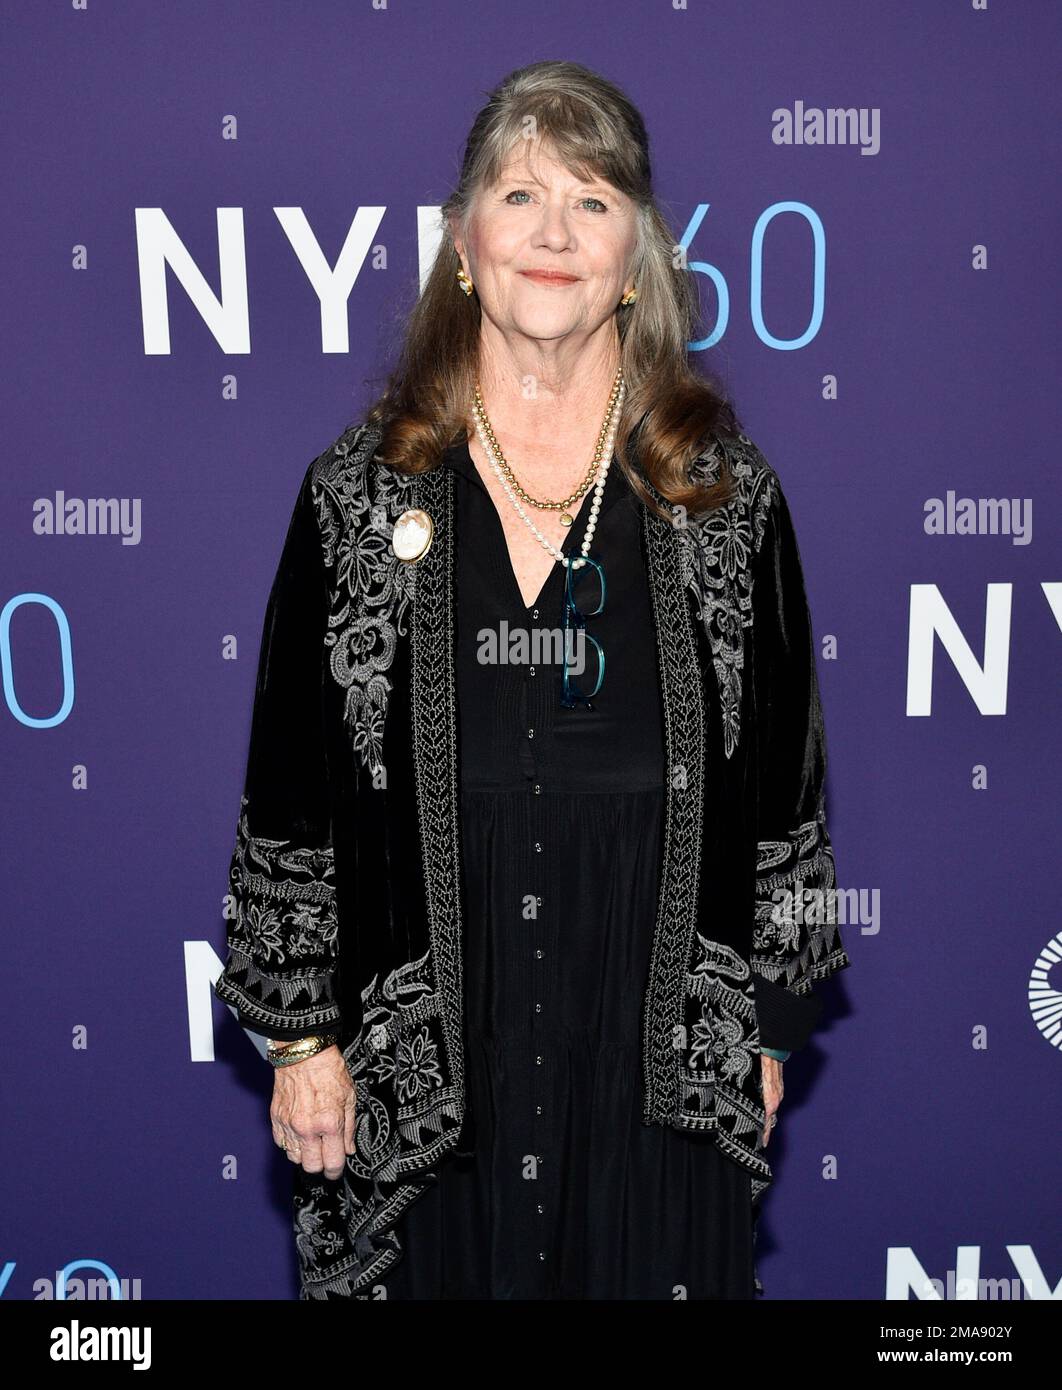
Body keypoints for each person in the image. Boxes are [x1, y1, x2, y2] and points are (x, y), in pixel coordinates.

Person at [214, 59, 851, 1300]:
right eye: (520, 196)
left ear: (637, 259)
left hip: (661, 1083)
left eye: (593, 201)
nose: (555, 234)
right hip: (422, 1090)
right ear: (465, 245)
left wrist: (769, 1025)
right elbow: (288, 791)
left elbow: (787, 788)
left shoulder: (723, 499)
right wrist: (297, 1038)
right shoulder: (359, 495)